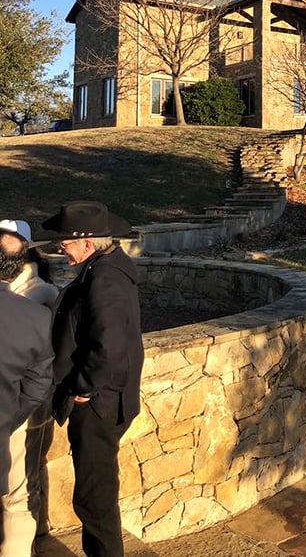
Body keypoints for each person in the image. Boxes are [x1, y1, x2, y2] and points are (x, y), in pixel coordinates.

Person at [43, 201, 143, 557]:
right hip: (106, 401)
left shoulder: (105, 280)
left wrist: (83, 388)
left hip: (99, 406)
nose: (60, 247)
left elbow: (109, 347)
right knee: (95, 495)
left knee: (94, 499)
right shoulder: (107, 268)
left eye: (65, 242)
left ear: (87, 244)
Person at [0, 218, 58, 557]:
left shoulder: (41, 301)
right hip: (11, 422)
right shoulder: (36, 316)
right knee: (16, 500)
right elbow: (38, 384)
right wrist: (10, 417)